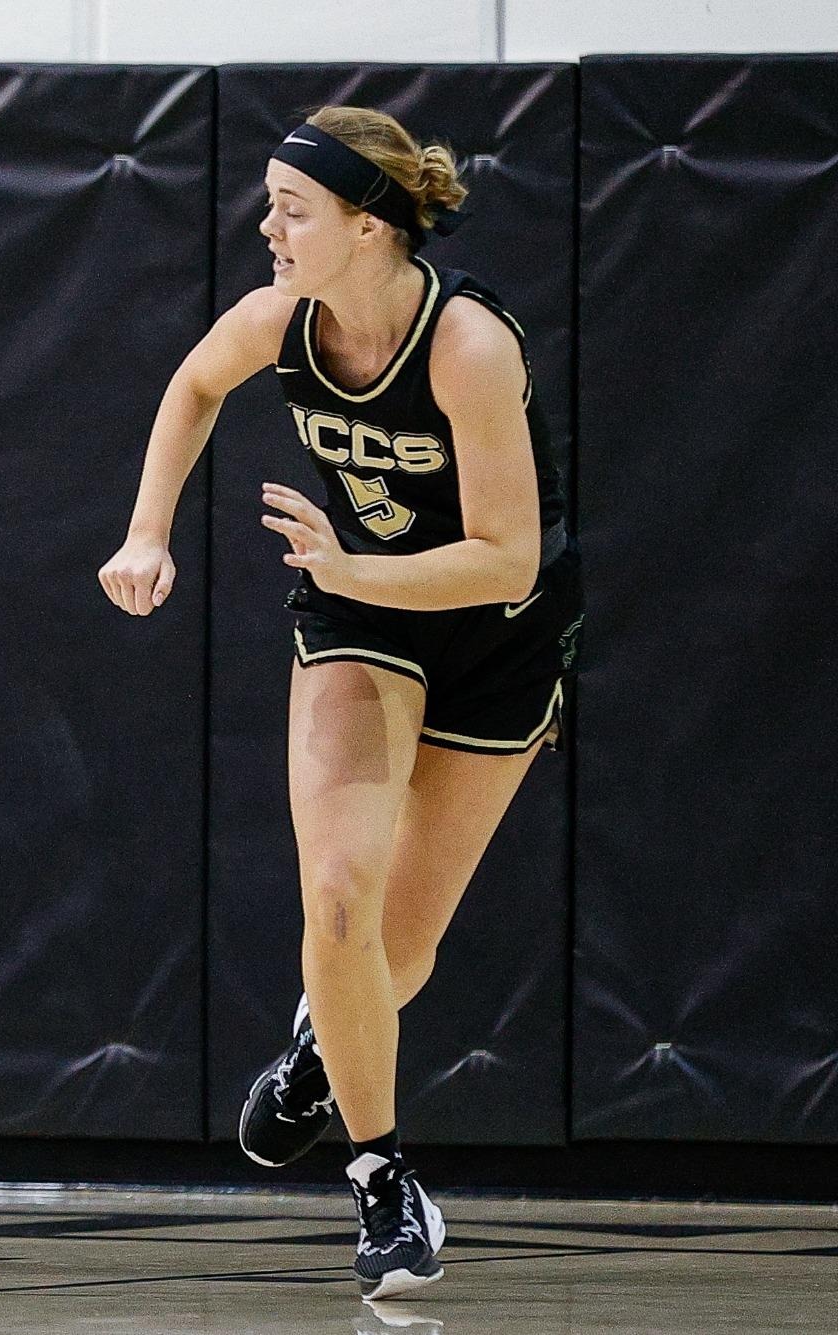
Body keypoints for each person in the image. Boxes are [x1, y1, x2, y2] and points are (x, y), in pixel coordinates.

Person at [99, 107, 581, 1300]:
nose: (265, 228)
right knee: (335, 898)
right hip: (357, 616)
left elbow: (507, 557)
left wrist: (350, 567)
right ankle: (381, 1179)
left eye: (290, 209)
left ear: (366, 227)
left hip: (497, 628)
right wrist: (146, 531)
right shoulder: (278, 320)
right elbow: (191, 385)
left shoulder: (464, 344)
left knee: (397, 946)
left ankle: (319, 1047)